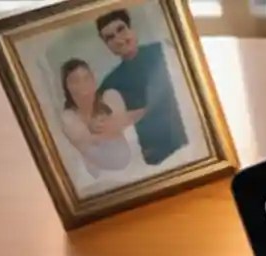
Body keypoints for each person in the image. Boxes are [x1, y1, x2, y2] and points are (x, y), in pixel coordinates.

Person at [94, 9, 187, 166]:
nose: (118, 39)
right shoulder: (110, 83)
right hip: (156, 157)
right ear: (107, 45)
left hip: (188, 139)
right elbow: (109, 126)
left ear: (132, 29)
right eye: (110, 38)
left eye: (121, 29)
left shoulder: (164, 51)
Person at [57, 58, 143, 178]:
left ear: (93, 81)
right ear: (67, 88)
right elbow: (84, 143)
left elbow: (124, 123)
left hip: (132, 168)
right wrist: (111, 129)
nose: (82, 85)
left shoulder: (110, 97)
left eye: (86, 78)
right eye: (75, 81)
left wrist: (111, 128)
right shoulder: (69, 117)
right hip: (101, 178)